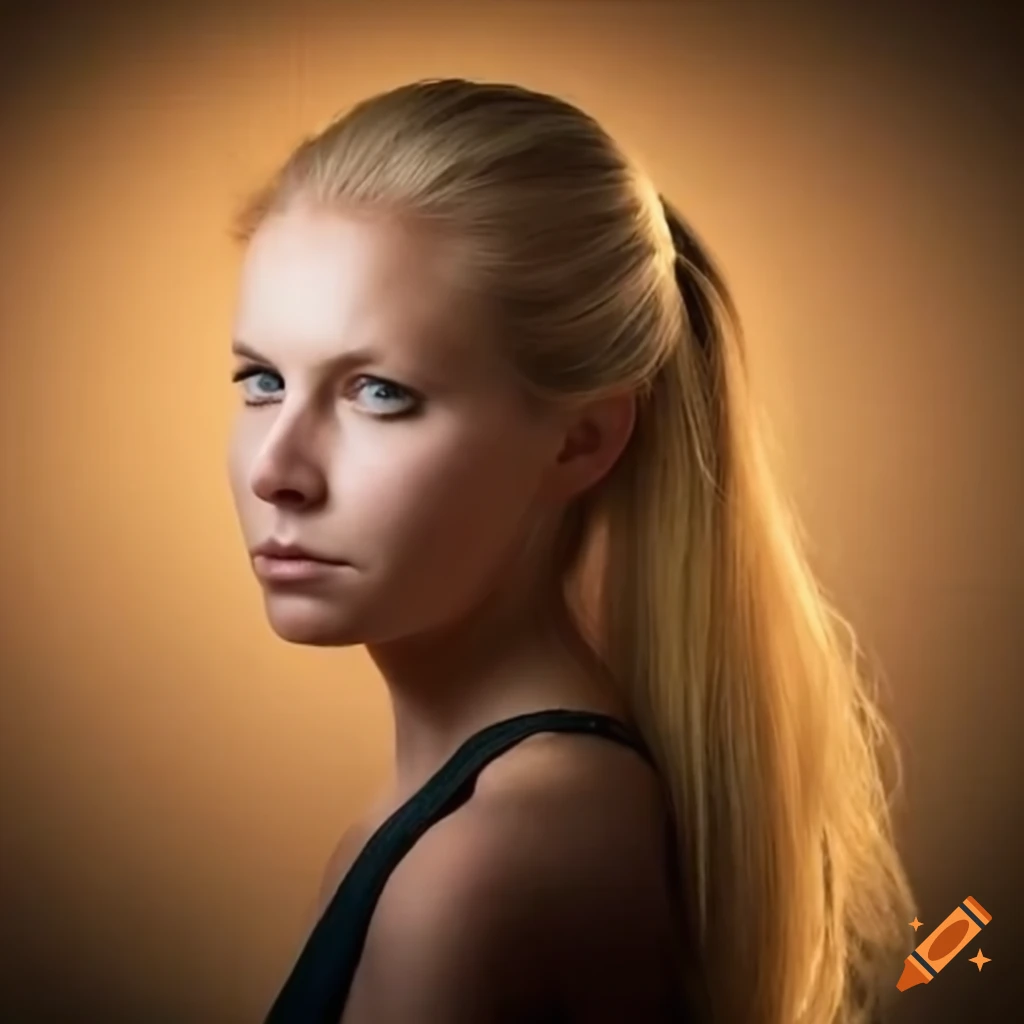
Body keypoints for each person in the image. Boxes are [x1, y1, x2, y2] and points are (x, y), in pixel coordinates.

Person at [226, 78, 916, 1024]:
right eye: (262, 379)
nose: (277, 470)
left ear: (580, 440)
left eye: (378, 392)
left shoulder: (483, 869)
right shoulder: (475, 825)